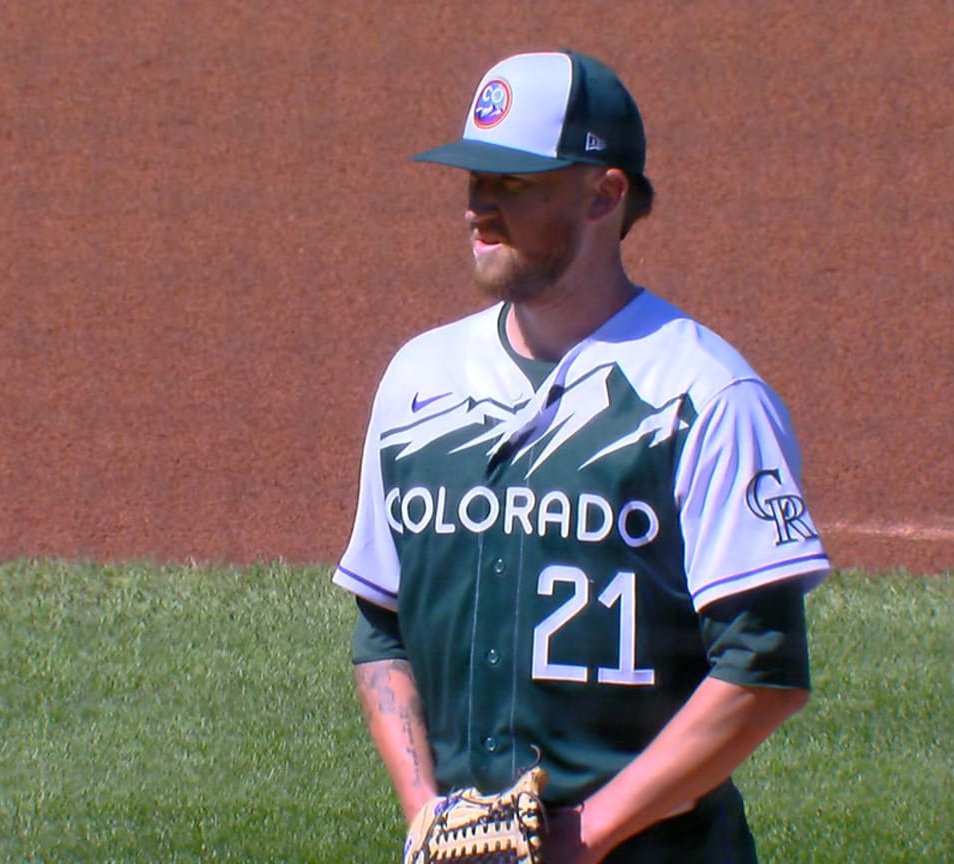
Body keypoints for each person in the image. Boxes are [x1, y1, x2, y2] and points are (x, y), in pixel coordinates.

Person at [332, 49, 831, 863]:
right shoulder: (418, 381)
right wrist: (427, 816)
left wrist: (582, 837)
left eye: (513, 183)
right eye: (474, 180)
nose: (478, 207)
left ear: (604, 195)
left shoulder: (704, 395)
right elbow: (383, 630)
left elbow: (763, 669)